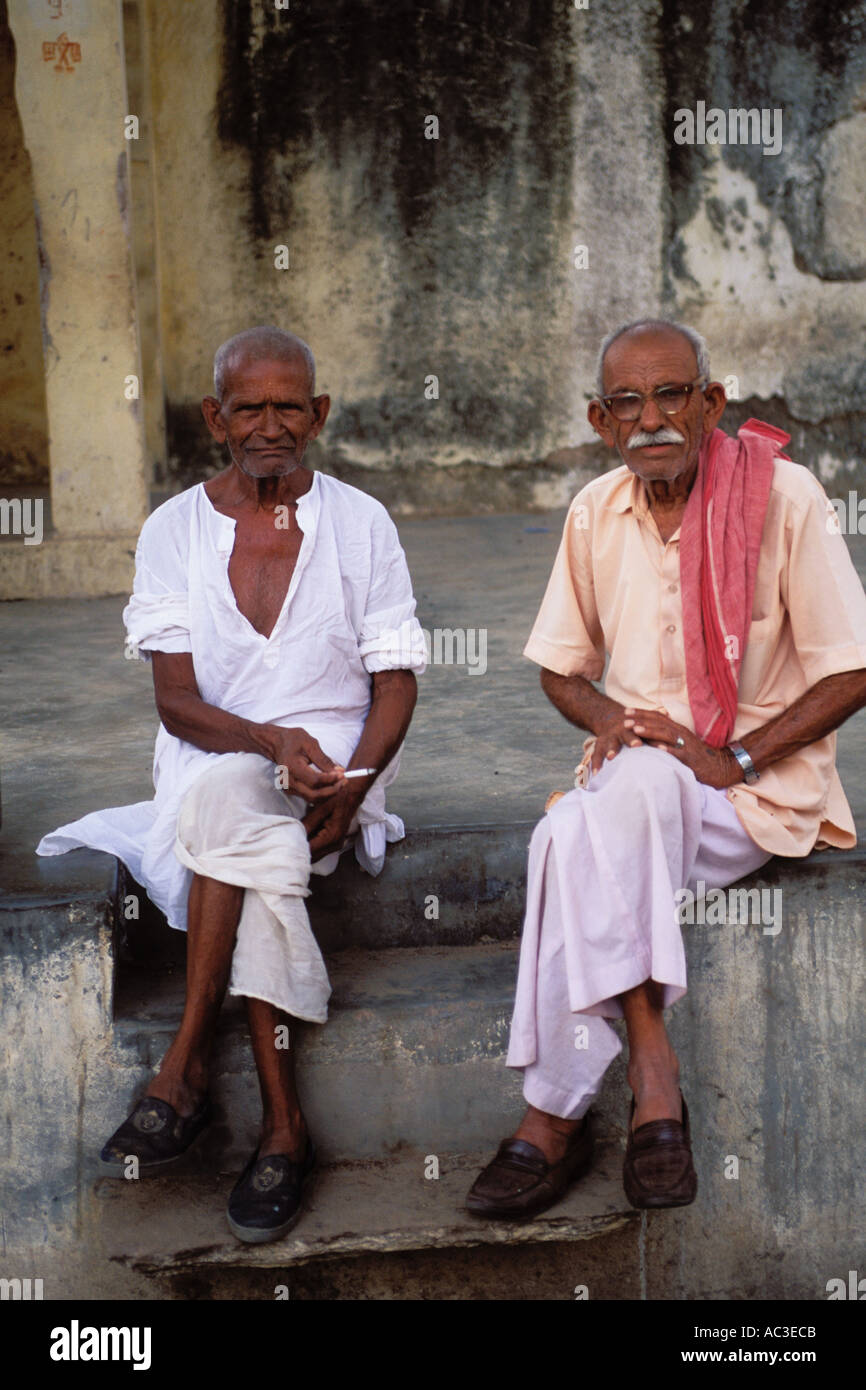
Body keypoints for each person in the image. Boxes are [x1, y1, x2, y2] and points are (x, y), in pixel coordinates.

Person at [466, 318, 866, 1219]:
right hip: (638, 789)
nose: (652, 419)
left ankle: (553, 1120)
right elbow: (559, 669)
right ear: (602, 421)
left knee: (594, 815)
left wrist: (737, 756)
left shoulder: (786, 498)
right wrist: (610, 717)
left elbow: (852, 668)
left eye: (672, 394)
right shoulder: (592, 511)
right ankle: (643, 1072)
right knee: (576, 821)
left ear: (711, 403)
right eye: (628, 403)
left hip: (753, 797)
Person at [37, 326, 425, 1242]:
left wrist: (358, 779)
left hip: (339, 757)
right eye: (247, 407)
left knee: (233, 823)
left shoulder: (362, 522)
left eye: (290, 406)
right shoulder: (174, 530)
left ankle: (184, 1067)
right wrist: (264, 738)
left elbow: (398, 678)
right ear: (216, 418)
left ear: (319, 416)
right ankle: (284, 1128)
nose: (269, 425)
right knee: (227, 805)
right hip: (216, 747)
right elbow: (177, 703)